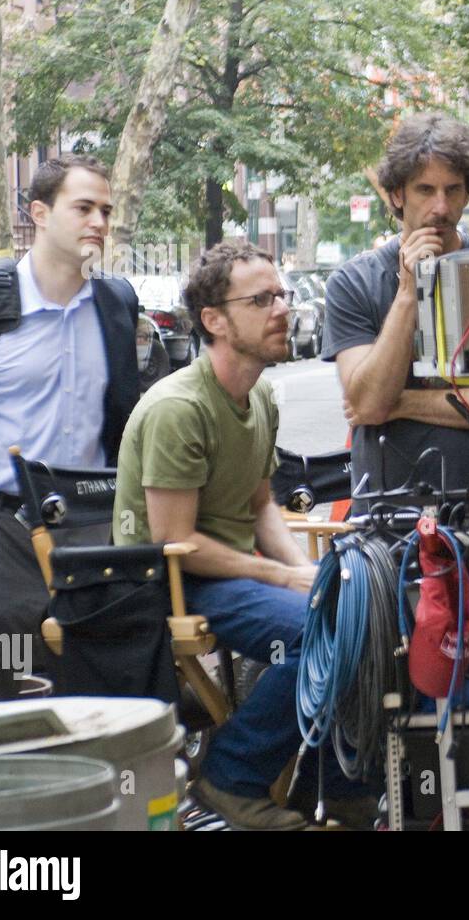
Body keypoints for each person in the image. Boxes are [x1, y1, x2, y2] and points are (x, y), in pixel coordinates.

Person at [114, 239, 366, 831]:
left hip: (223, 572)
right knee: (325, 629)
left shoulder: (259, 395)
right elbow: (175, 540)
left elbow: (260, 507)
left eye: (281, 294)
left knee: (364, 611)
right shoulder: (180, 408)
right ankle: (230, 778)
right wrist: (285, 575)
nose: (282, 308)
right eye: (261, 299)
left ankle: (314, 790)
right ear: (214, 320)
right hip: (168, 581)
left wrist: (311, 571)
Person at [0, 155, 140, 709]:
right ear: (39, 213)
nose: (98, 221)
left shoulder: (116, 303)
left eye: (106, 210)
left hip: (93, 530)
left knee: (96, 701)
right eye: (83, 207)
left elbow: (127, 419)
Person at [321, 113, 469, 506]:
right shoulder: (353, 282)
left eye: (453, 190)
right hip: (389, 514)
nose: (441, 207)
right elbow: (367, 403)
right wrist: (409, 292)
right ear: (398, 195)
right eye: (425, 190)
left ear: (468, 194)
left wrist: (401, 403)